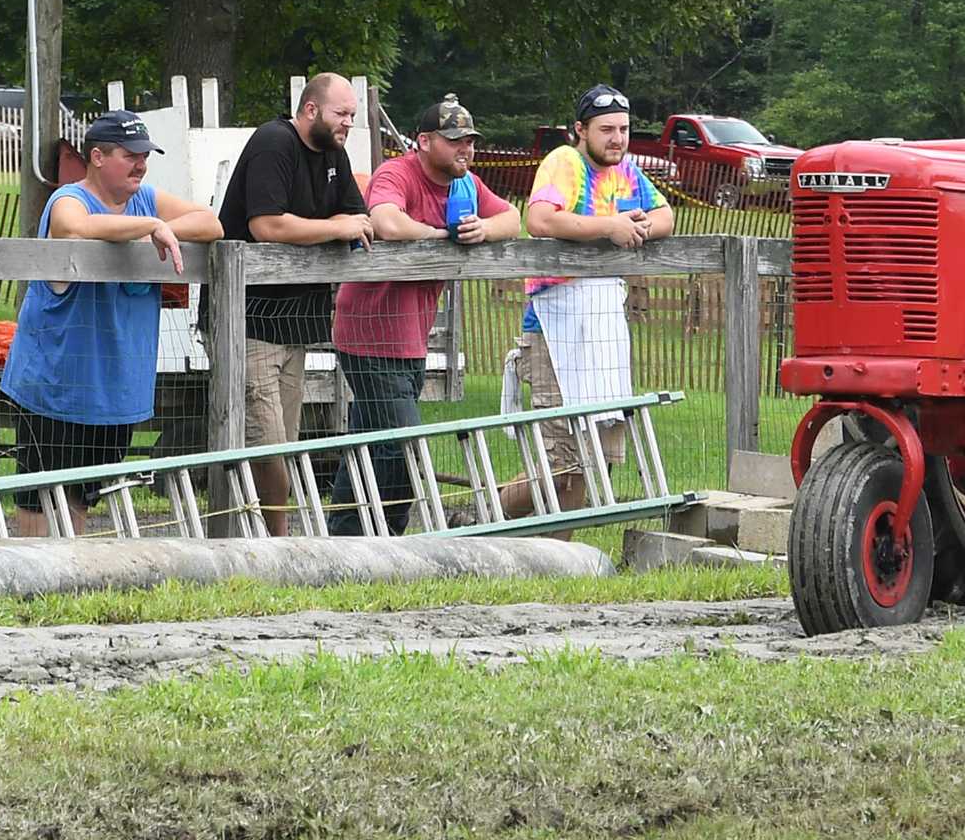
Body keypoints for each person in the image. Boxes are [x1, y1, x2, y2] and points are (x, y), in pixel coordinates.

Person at [0, 111, 221, 536]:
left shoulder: (148, 198)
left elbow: (211, 222)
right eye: (130, 155)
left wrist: (154, 229)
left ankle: (68, 581)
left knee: (83, 495)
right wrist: (151, 227)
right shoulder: (69, 198)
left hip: (114, 391)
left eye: (145, 156)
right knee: (40, 496)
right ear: (97, 157)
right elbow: (73, 227)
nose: (140, 164)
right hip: (56, 385)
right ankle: (31, 583)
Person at [329, 95, 520, 535]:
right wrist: (440, 238)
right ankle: (390, 538)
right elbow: (386, 223)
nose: (465, 151)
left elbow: (512, 218)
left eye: (469, 141)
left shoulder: (465, 183)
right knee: (402, 445)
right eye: (454, 141)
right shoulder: (397, 173)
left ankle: (341, 534)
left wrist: (482, 230)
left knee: (370, 440)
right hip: (369, 329)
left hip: (412, 336)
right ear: (423, 142)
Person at [497, 85, 674, 534]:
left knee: (596, 452)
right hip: (553, 323)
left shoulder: (628, 170)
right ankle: (500, 521)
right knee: (564, 461)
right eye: (606, 129)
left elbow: (667, 215)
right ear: (580, 130)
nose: (617, 139)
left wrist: (639, 227)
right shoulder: (565, 162)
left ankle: (542, 540)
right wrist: (608, 228)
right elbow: (538, 219)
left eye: (624, 129)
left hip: (599, 323)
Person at [215, 72, 375, 535]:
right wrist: (335, 228)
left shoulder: (333, 155)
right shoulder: (273, 143)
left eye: (352, 115)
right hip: (249, 316)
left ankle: (266, 537)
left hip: (297, 321)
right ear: (310, 110)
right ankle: (276, 543)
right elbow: (266, 225)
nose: (347, 123)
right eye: (341, 114)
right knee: (267, 443)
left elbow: (357, 213)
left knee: (284, 439)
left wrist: (344, 223)